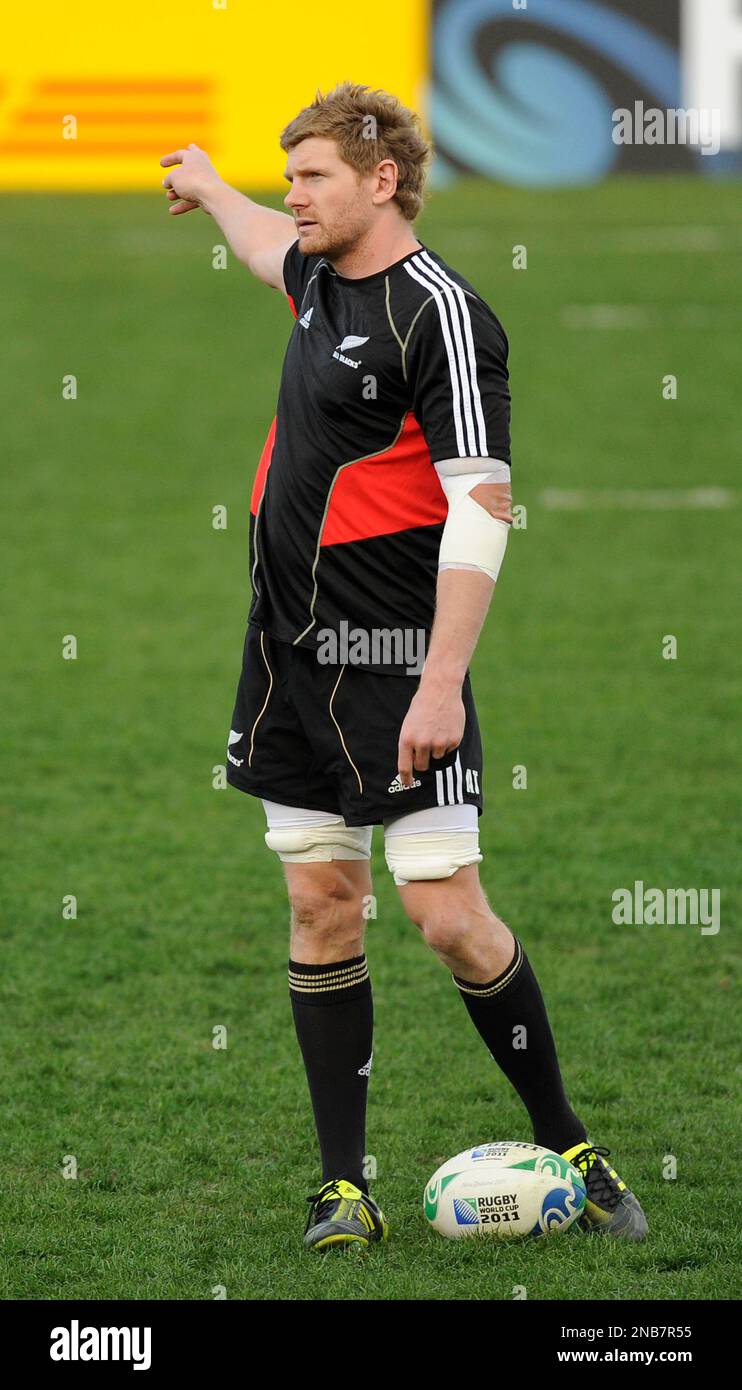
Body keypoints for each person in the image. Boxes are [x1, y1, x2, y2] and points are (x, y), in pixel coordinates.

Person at [160, 81, 647, 1251]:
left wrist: (439, 678)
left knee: (446, 916)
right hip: (285, 654)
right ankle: (344, 1187)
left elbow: (483, 501)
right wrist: (216, 188)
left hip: (395, 663)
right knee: (321, 903)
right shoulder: (319, 276)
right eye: (289, 177)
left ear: (383, 181)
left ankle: (569, 1138)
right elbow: (268, 247)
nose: (296, 197)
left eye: (313, 175)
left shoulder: (445, 315)